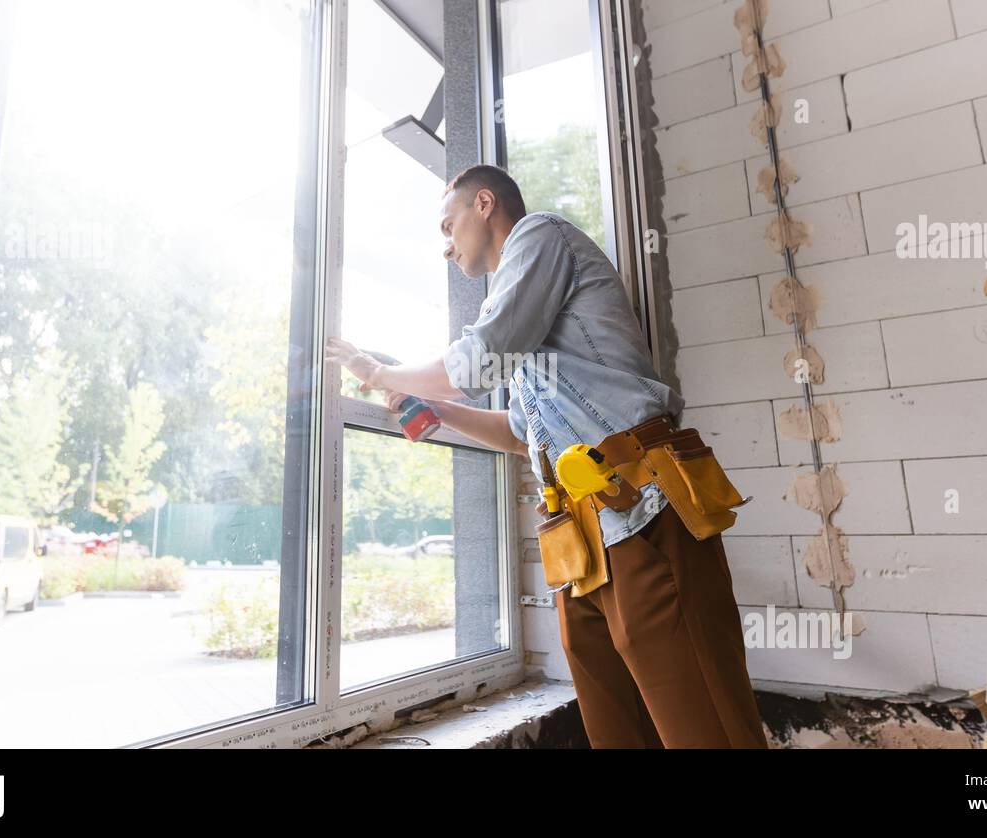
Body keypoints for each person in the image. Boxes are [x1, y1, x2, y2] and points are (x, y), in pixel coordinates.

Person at [325, 164, 769, 748]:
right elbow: (517, 432)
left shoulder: (540, 236)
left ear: (484, 204)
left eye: (447, 225)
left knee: (699, 716)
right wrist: (432, 407)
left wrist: (382, 370)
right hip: (579, 543)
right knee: (617, 725)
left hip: (642, 508)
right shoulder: (530, 326)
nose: (445, 246)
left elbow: (478, 363)